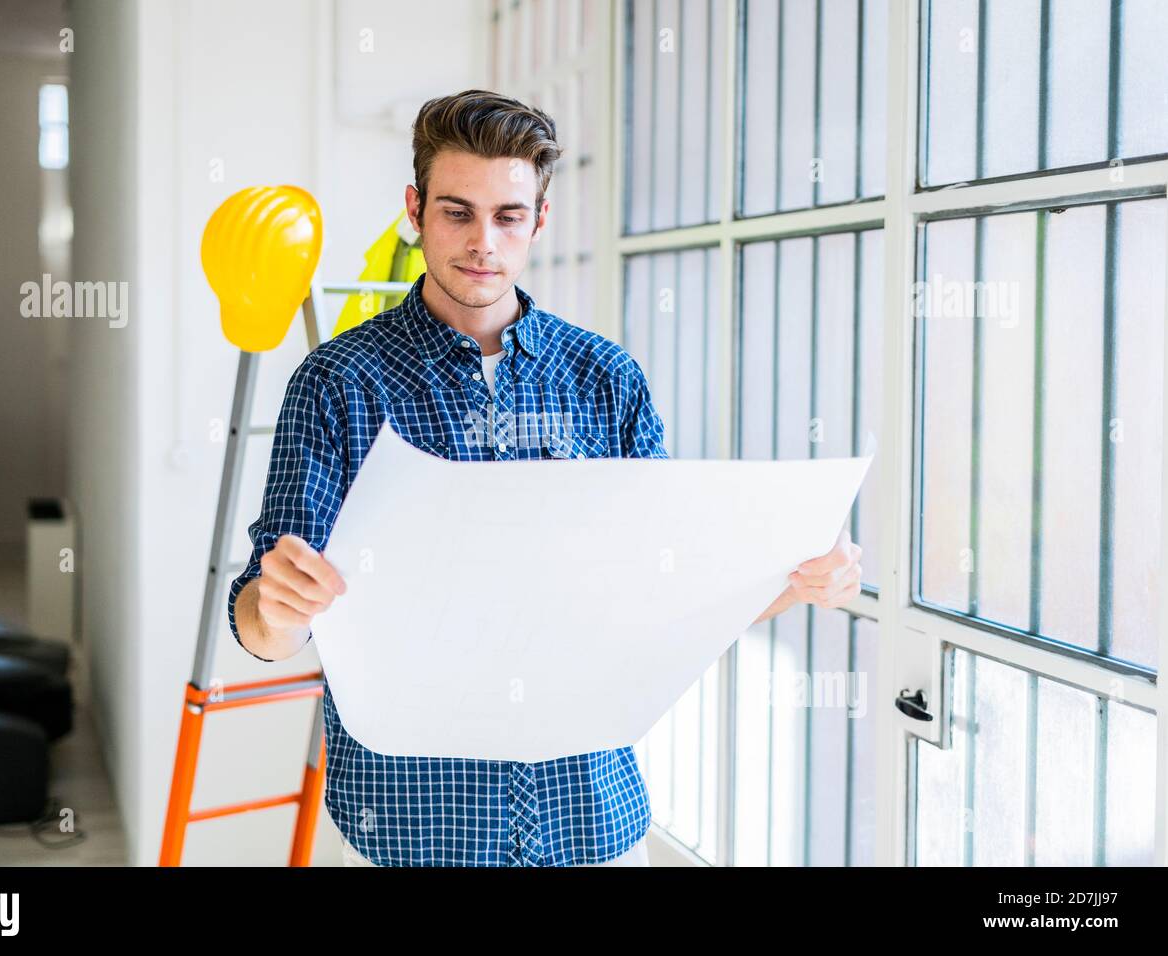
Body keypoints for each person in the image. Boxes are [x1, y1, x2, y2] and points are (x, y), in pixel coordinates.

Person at [227, 89, 863, 867]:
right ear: (415, 209)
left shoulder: (606, 379)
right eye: (456, 213)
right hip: (411, 827)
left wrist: (798, 577)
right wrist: (279, 606)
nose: (482, 243)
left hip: (590, 819)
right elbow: (260, 625)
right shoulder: (338, 382)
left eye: (509, 216)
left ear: (540, 220)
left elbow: (674, 595)